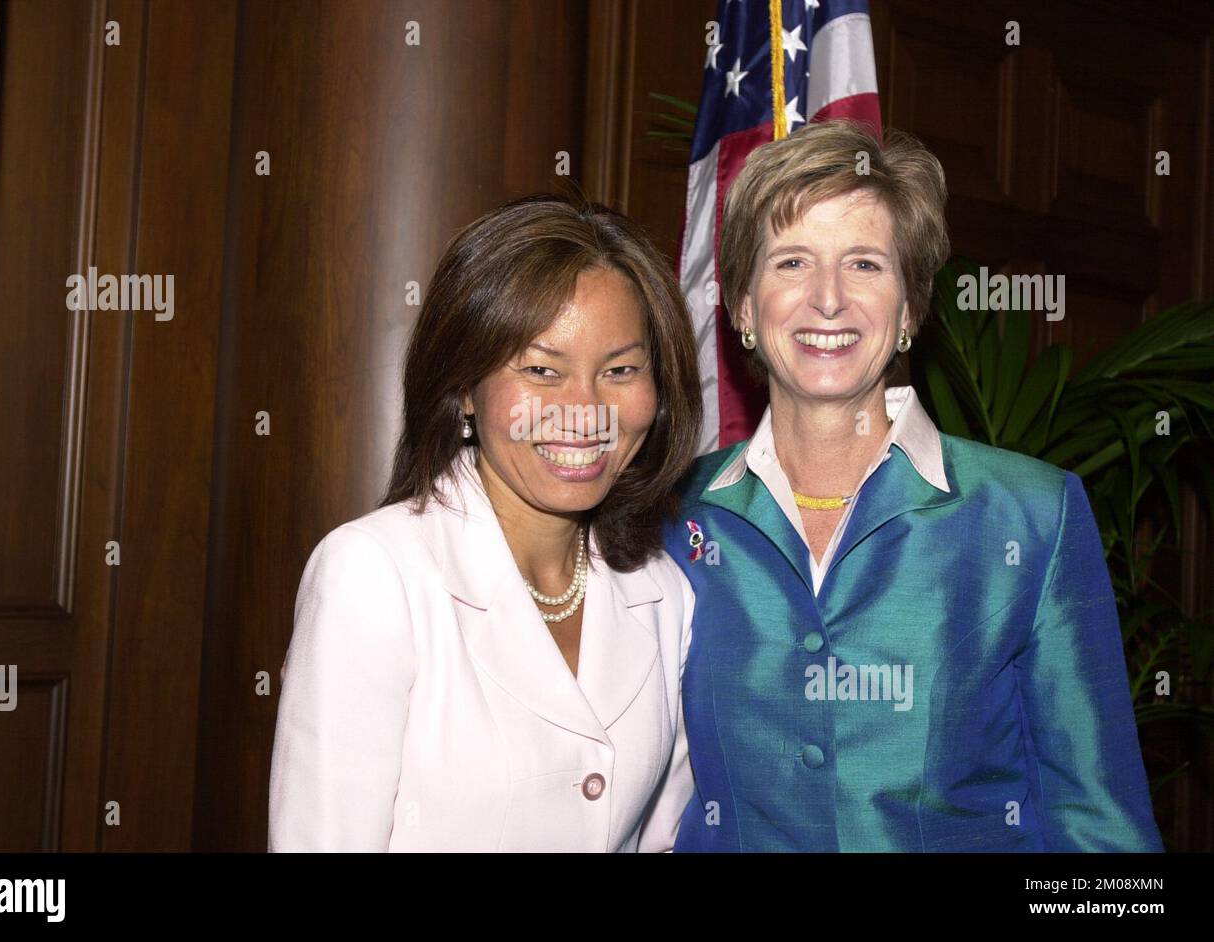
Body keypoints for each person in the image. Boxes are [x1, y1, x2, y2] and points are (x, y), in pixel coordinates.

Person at [666, 119, 1163, 851]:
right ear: (742, 306)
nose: (827, 299)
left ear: (909, 309)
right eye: (791, 263)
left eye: (865, 264)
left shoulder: (1030, 516)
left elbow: (1101, 832)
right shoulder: (670, 518)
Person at [269, 192, 703, 851]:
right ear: (465, 389)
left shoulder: (663, 593)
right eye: (540, 369)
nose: (585, 410)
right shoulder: (373, 575)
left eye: (620, 370)